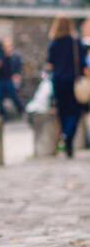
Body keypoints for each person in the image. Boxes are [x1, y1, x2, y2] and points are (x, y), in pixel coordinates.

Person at [45, 15, 90, 157]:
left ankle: (65, 135)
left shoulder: (54, 43)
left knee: (62, 111)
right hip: (73, 81)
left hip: (58, 82)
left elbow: (49, 65)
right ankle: (68, 137)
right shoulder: (76, 43)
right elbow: (83, 64)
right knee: (75, 111)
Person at [0, 36, 25, 119]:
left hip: (11, 80)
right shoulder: (0, 57)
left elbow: (19, 69)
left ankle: (21, 111)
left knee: (14, 96)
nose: (7, 48)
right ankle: (3, 115)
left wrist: (17, 76)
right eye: (6, 46)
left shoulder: (16, 57)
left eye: (9, 46)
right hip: (1, 80)